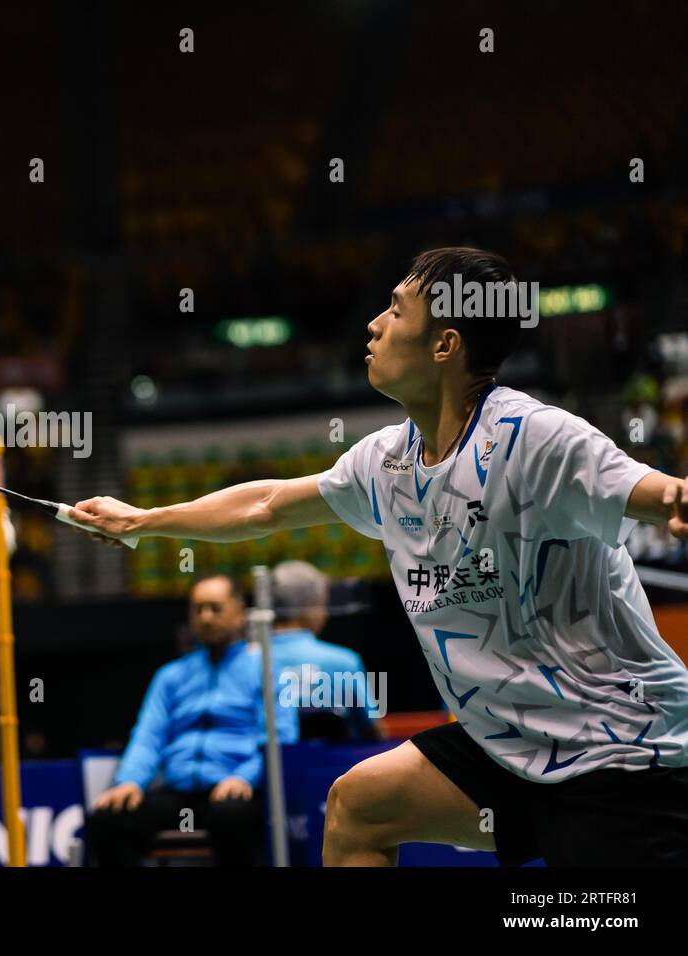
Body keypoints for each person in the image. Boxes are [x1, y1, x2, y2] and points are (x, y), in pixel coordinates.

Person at [70, 247, 688, 866]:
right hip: (508, 748)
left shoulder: (538, 440)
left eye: (396, 309)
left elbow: (649, 491)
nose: (374, 324)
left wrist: (674, 499)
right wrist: (143, 522)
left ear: (444, 345)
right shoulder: (386, 462)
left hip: (622, 755)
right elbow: (267, 506)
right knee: (359, 807)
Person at [84, 574, 297, 867]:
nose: (206, 617)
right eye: (198, 609)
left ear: (239, 614)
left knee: (232, 816)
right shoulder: (170, 676)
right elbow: (148, 736)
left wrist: (244, 777)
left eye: (215, 608)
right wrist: (130, 781)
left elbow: (279, 740)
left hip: (234, 790)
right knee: (107, 819)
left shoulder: (266, 669)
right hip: (178, 794)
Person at [268, 560, 378, 742]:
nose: (325, 614)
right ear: (310, 603)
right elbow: (370, 730)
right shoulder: (344, 662)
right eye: (323, 604)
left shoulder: (247, 660)